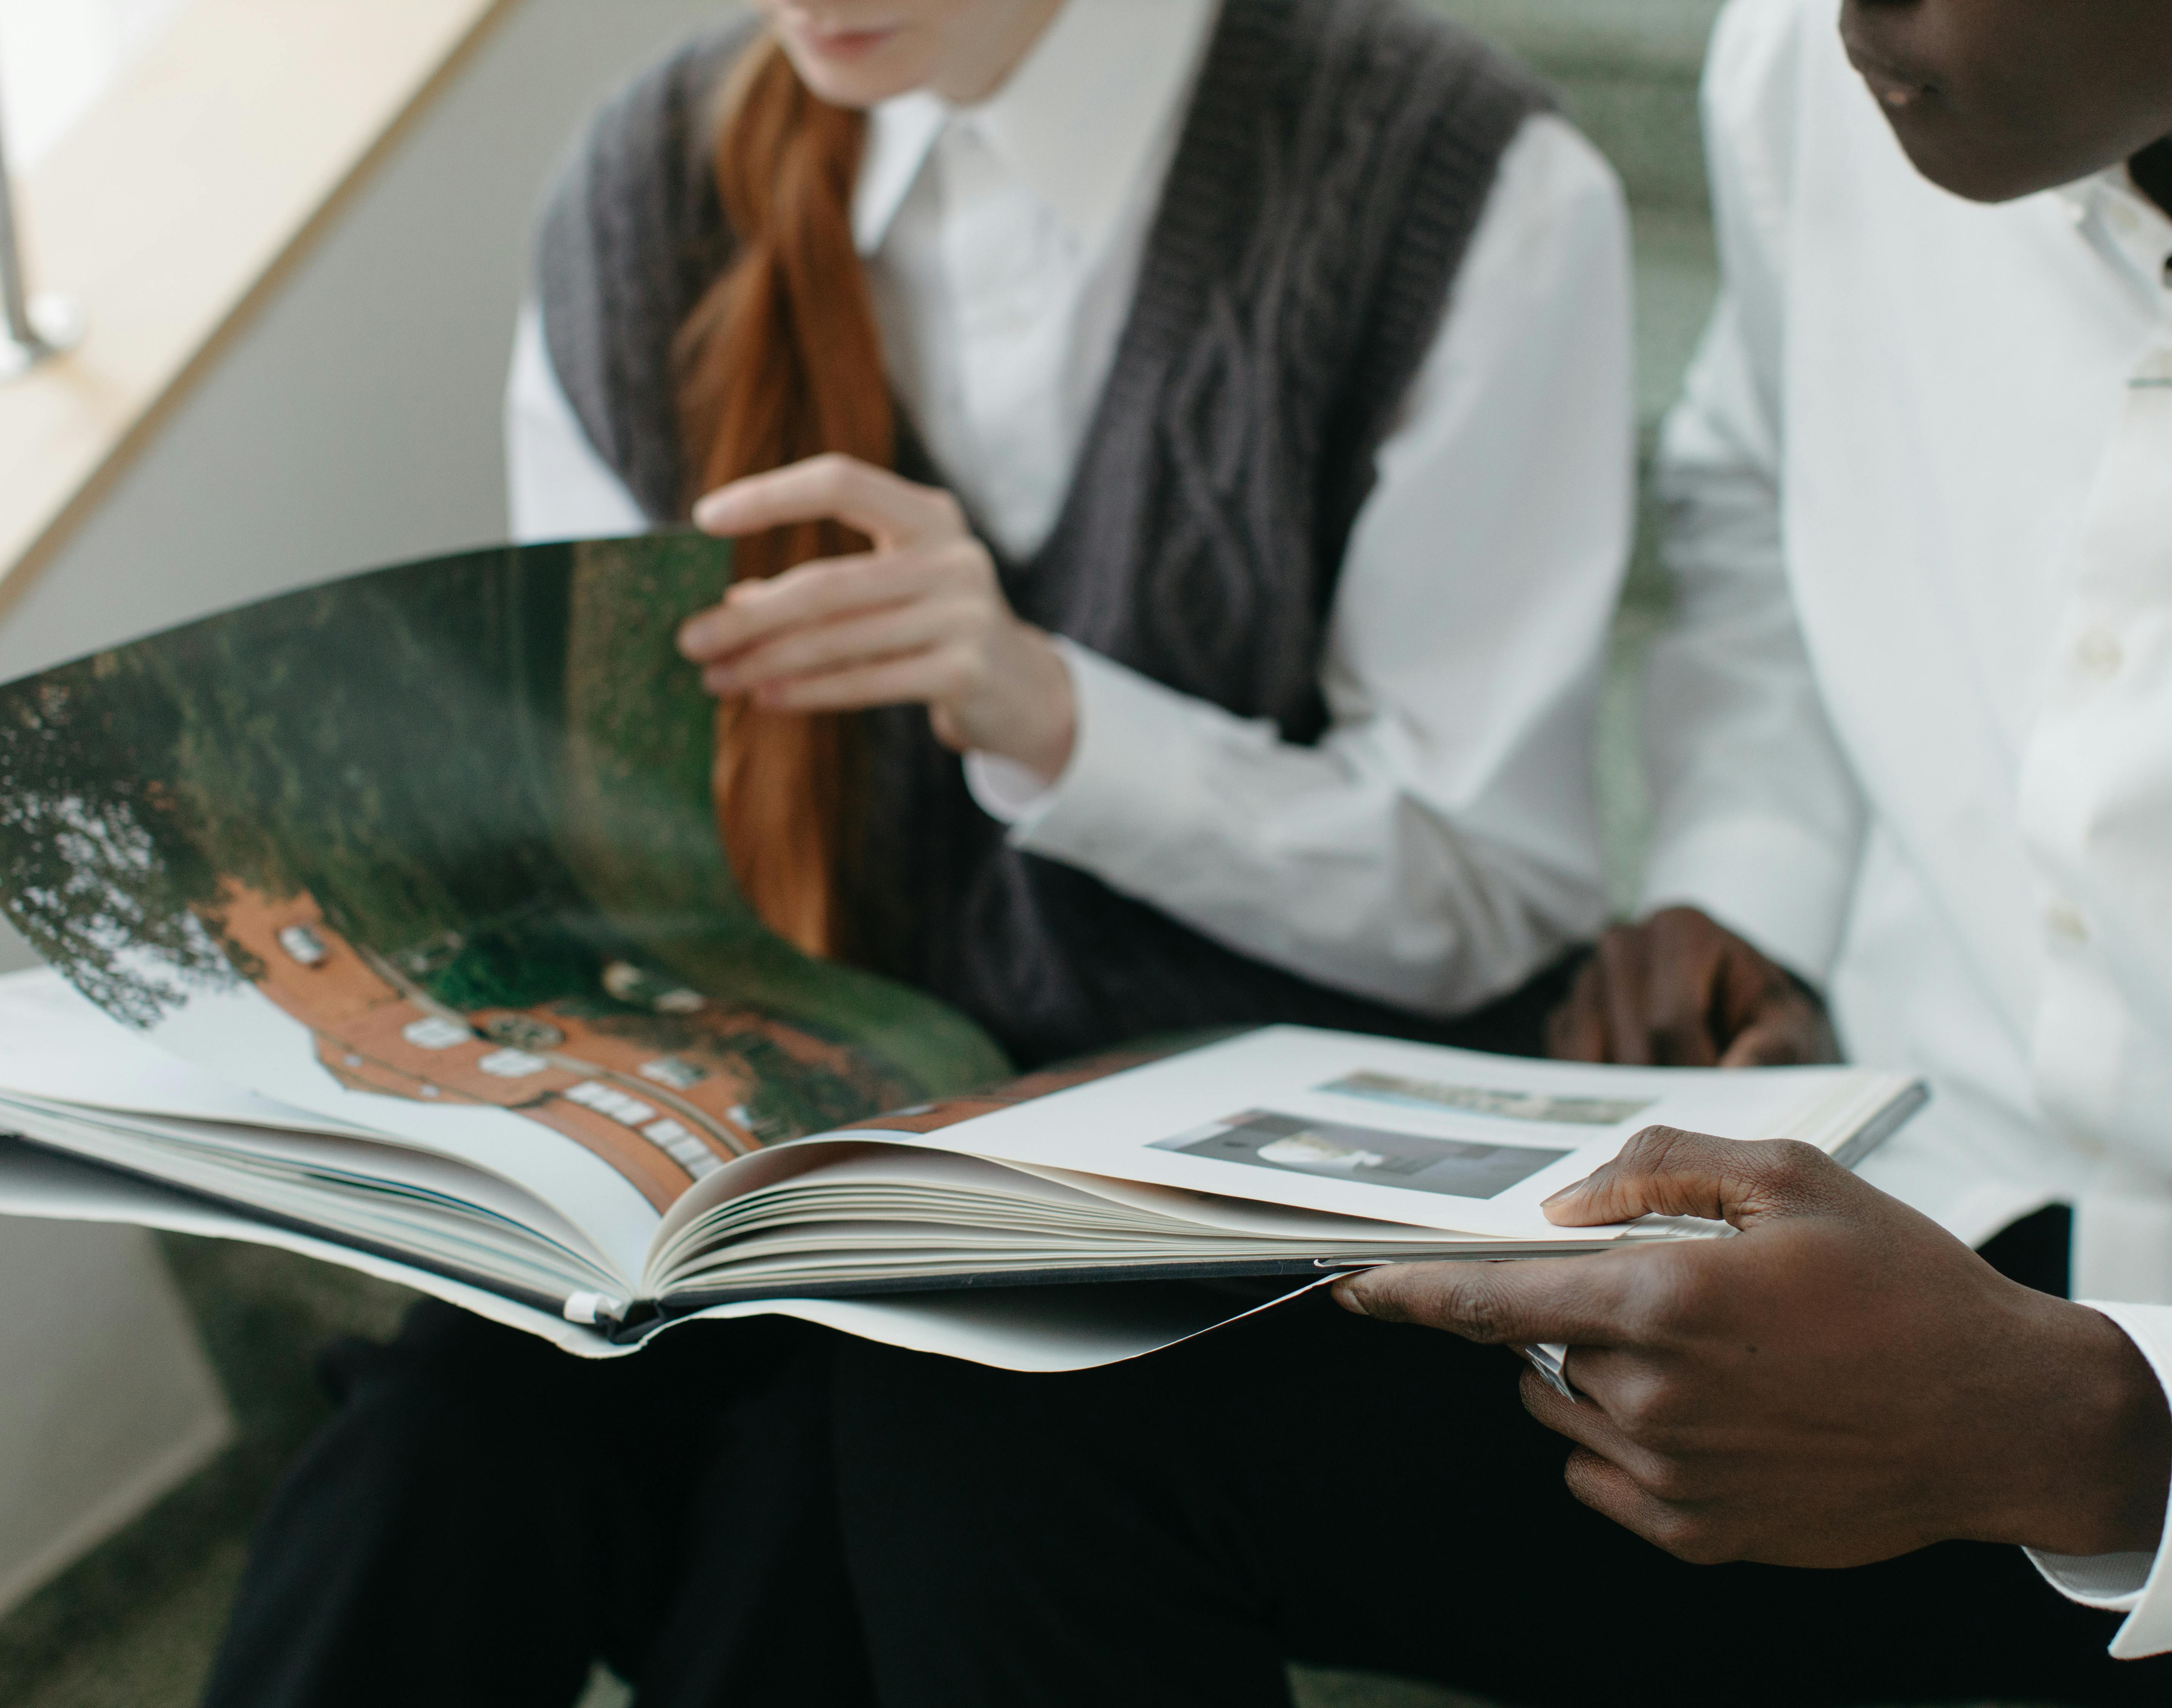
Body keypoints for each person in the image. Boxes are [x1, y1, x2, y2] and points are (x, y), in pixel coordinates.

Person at [823, 0, 2172, 1701]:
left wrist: (2084, 1429)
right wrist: (1745, 885)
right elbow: (1763, 498)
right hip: (1932, 1184)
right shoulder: (1825, 77)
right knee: (1001, 1375)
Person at [201, 0, 1634, 1703]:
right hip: (809, 1134)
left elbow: (1491, 898)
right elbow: (607, 846)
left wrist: (1057, 719)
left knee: (822, 1507)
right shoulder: (644, 192)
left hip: (1245, 1156)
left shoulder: (1450, 185)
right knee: (441, 1441)